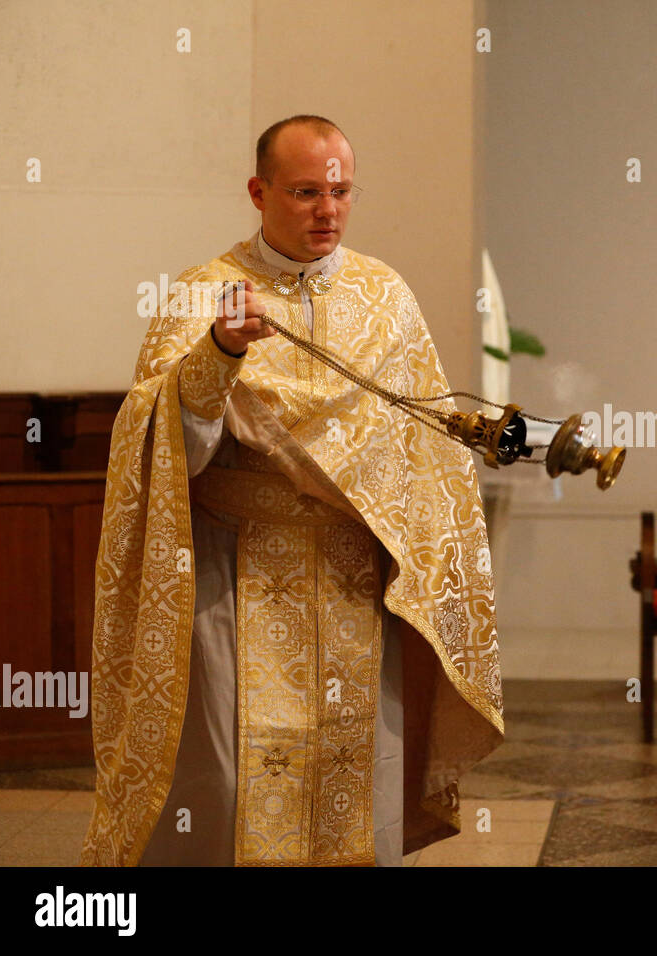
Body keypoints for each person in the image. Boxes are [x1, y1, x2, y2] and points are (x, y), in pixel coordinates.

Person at [81, 115, 503, 866]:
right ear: (259, 191)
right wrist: (219, 353)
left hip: (352, 578)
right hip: (235, 576)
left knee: (358, 774)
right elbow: (163, 449)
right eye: (306, 192)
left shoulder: (385, 296)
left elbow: (425, 442)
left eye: (341, 192)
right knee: (232, 779)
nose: (327, 211)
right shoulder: (205, 295)